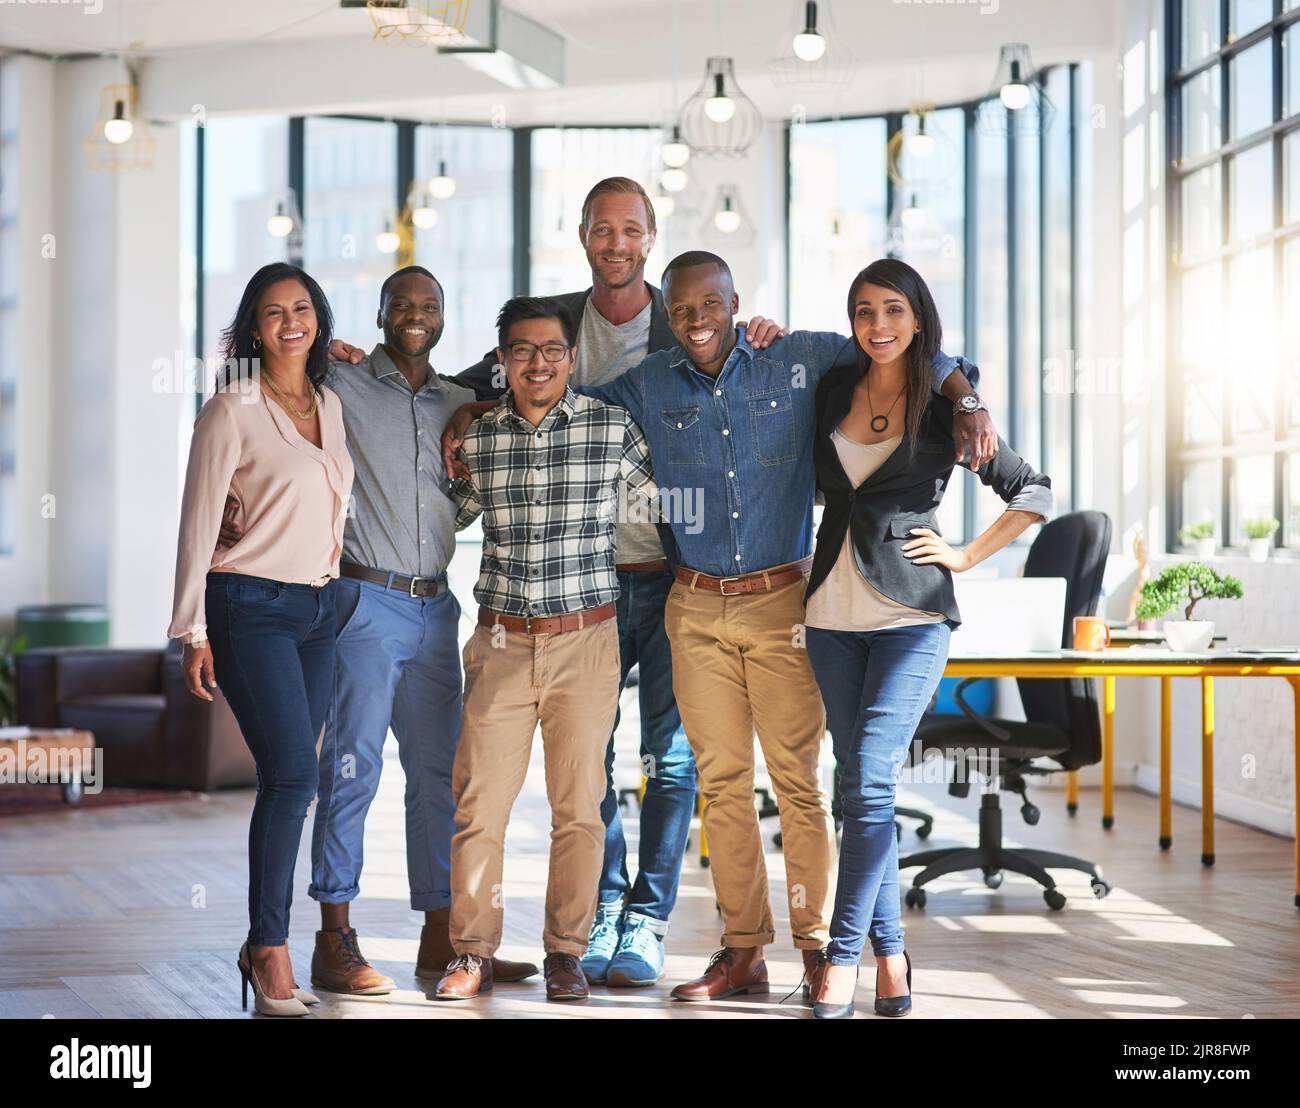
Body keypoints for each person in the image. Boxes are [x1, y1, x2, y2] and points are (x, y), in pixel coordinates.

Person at [443, 249, 996, 1002]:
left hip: (784, 603)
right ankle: (744, 952)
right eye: (682, 309)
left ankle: (817, 952)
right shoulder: (646, 386)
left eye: (712, 303)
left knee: (799, 785)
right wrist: (477, 404)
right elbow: (552, 389)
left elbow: (908, 349)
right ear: (668, 318)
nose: (698, 319)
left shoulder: (798, 357)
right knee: (722, 785)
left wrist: (965, 397)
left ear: (737, 303)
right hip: (693, 605)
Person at [453, 177, 780, 986]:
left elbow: (755, 396)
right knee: (585, 767)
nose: (617, 243)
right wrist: (456, 410)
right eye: (603, 229)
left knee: (670, 760)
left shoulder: (694, 319)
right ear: (585, 236)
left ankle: (648, 917)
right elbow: (477, 381)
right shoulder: (557, 324)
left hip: (671, 575)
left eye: (631, 230)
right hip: (583, 587)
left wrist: (758, 332)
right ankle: (595, 913)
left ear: (651, 235)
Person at [232, 266, 536, 994]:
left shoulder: (462, 401)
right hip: (364, 603)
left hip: (438, 609)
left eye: (429, 305)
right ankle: (333, 938)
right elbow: (255, 386)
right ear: (379, 313)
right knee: (351, 770)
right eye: (403, 304)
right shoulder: (339, 384)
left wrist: (479, 406)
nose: (416, 315)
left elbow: (528, 386)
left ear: (442, 317)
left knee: (439, 777)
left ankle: (444, 938)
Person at [803, 258, 1051, 1019]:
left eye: (894, 311)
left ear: (918, 318)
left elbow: (1033, 491)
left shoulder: (948, 405)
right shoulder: (832, 388)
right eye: (864, 311)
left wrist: (967, 556)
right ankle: (890, 959)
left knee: (870, 779)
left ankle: (840, 959)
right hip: (829, 618)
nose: (878, 326)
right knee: (858, 790)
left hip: (912, 615)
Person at [434, 297, 658, 1003]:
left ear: (570, 358)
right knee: (480, 808)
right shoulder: (480, 440)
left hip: (588, 642)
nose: (538, 363)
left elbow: (659, 517)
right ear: (501, 362)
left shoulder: (612, 428)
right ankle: (470, 952)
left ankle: (566, 951)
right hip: (500, 641)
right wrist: (457, 423)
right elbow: (446, 510)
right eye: (523, 351)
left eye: (552, 351)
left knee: (580, 807)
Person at [169, 262, 353, 1018]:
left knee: (294, 778)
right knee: (292, 779)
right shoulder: (231, 410)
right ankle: (268, 947)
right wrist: (191, 629)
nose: (290, 322)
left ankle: (266, 941)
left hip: (319, 611)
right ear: (253, 327)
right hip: (249, 606)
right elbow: (197, 518)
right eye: (273, 312)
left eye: (302, 308)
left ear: (318, 317)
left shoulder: (331, 404)